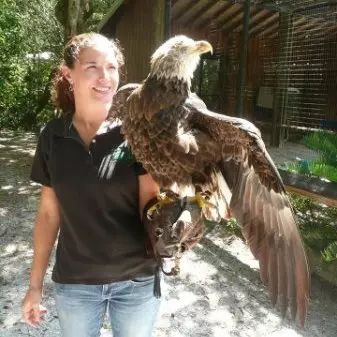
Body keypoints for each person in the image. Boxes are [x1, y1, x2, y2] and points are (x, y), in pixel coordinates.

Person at [21, 32, 161, 337]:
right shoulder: (52, 137)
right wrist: (35, 286)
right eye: (92, 67)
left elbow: (152, 203)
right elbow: (47, 215)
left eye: (111, 67)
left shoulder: (137, 132)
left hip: (135, 281)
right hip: (75, 284)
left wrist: (183, 219)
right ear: (69, 74)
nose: (105, 77)